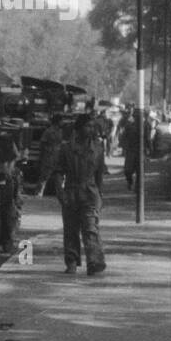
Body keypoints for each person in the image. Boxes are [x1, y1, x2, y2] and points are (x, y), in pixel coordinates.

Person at [51, 113, 107, 276]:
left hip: (90, 193)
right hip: (71, 192)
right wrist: (60, 192)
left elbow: (99, 175)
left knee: (90, 228)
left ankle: (94, 261)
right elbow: (58, 172)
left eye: (92, 126)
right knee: (71, 229)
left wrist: (100, 195)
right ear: (79, 128)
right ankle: (72, 261)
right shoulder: (66, 148)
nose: (91, 129)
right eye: (87, 126)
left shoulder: (98, 148)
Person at [37, 115, 64, 197]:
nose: (62, 123)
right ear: (57, 121)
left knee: (58, 174)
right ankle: (39, 191)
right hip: (49, 155)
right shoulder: (48, 131)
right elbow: (42, 143)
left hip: (57, 155)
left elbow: (60, 142)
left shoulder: (60, 131)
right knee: (45, 174)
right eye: (61, 121)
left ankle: (57, 191)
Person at [120, 109, 141, 190]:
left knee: (139, 171)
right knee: (128, 170)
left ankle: (138, 186)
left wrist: (149, 148)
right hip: (131, 150)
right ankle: (130, 182)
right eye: (136, 116)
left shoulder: (145, 125)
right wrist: (124, 147)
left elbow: (147, 138)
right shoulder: (129, 126)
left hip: (140, 151)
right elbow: (123, 137)